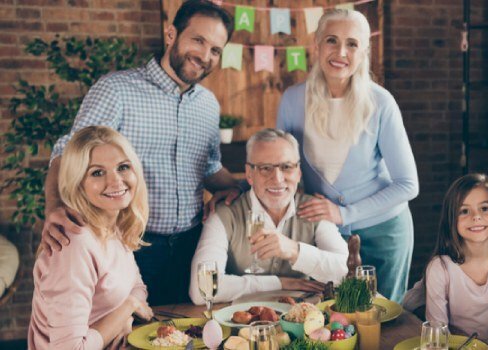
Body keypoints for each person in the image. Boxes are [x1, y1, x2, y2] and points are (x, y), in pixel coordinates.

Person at [41, 0, 240, 305]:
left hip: (191, 244)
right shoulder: (116, 90)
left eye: (215, 50)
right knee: (128, 333)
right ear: (171, 34)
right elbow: (68, 152)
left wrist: (235, 188)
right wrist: (54, 206)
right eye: (198, 40)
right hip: (129, 244)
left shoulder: (209, 105)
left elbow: (208, 166)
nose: (205, 55)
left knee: (184, 334)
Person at [277, 9, 418, 302]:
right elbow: (280, 167)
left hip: (385, 233)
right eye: (332, 40)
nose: (341, 52)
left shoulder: (381, 103)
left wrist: (344, 214)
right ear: (316, 44)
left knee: (384, 322)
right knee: (334, 318)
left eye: (352, 44)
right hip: (327, 235)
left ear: (363, 51)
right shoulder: (292, 100)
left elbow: (408, 184)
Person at [189, 129, 348, 305]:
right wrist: (279, 283)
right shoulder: (223, 215)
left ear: (298, 172)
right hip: (241, 325)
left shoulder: (314, 210)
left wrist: (295, 251)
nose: (278, 179)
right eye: (265, 168)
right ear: (249, 174)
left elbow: (345, 272)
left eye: (286, 167)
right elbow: (200, 290)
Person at [28, 126, 153, 349]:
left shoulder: (113, 226)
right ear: (77, 183)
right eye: (97, 172)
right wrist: (128, 308)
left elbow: (137, 287)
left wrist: (125, 314)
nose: (116, 182)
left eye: (123, 167)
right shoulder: (74, 244)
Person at [424, 174, 488, 349]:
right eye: (464, 211)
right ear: (451, 220)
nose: (476, 216)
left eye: (485, 208)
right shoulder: (440, 269)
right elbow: (437, 334)